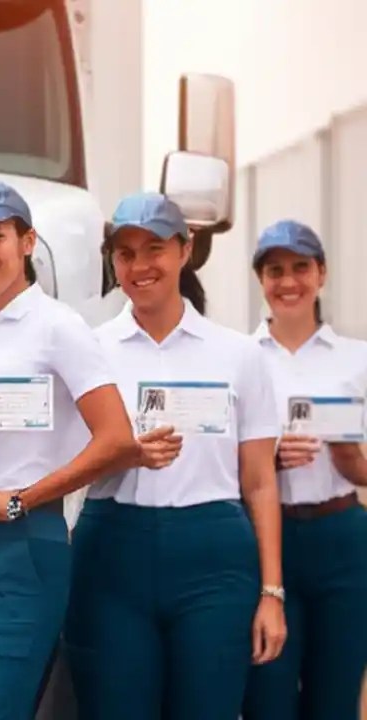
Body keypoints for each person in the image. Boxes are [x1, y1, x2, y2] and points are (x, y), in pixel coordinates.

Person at [0, 179, 137, 720]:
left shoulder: (59, 327)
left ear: (28, 242)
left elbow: (117, 439)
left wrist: (24, 499)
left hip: (18, 543)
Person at [63, 193, 287, 720]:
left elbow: (259, 481)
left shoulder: (239, 355)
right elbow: (67, 459)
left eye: (155, 249)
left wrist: (272, 591)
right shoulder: (87, 351)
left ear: (186, 251)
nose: (140, 266)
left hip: (213, 557)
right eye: (125, 253)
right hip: (113, 552)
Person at [241, 220, 367, 720]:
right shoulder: (240, 356)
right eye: (275, 271)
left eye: (300, 268)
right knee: (267, 696)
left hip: (343, 539)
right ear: (260, 279)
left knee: (335, 699)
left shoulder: (357, 359)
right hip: (266, 542)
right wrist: (265, 458)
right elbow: (214, 462)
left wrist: (351, 460)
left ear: (322, 274)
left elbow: (364, 471)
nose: (288, 282)